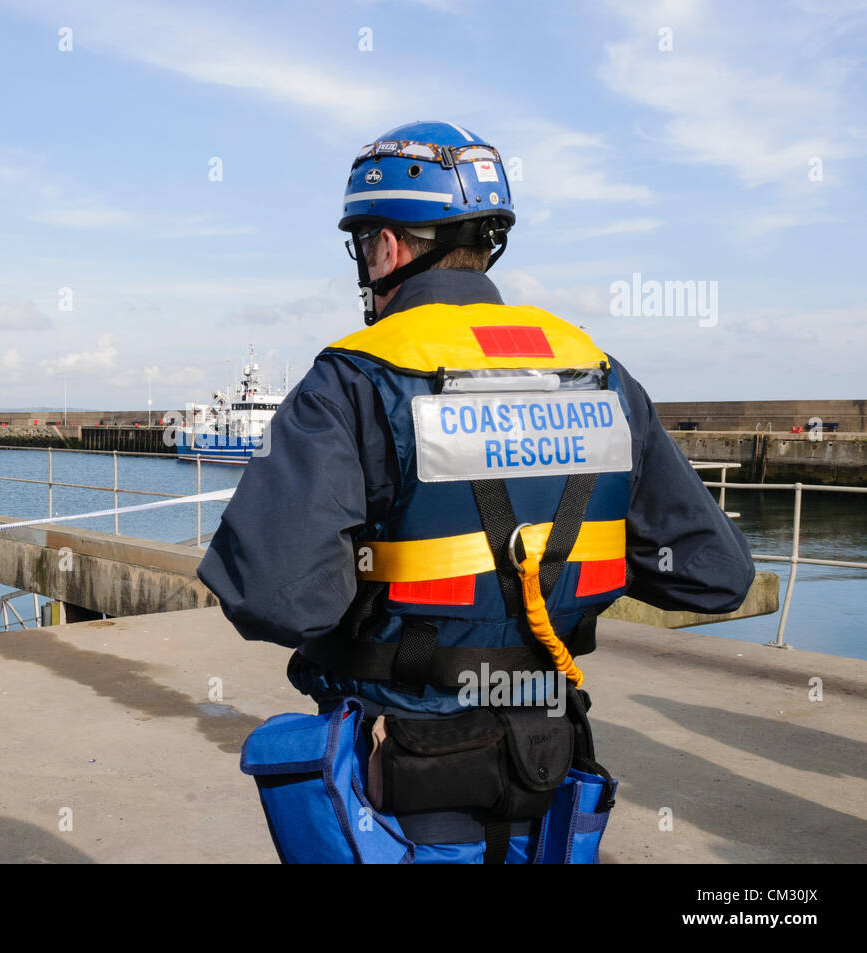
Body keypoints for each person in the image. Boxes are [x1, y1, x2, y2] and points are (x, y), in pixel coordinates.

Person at [196, 121, 755, 864]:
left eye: (363, 245)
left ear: (387, 247)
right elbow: (717, 574)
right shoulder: (602, 373)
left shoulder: (353, 377)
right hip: (548, 773)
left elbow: (273, 594)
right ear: (484, 244)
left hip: (398, 782)